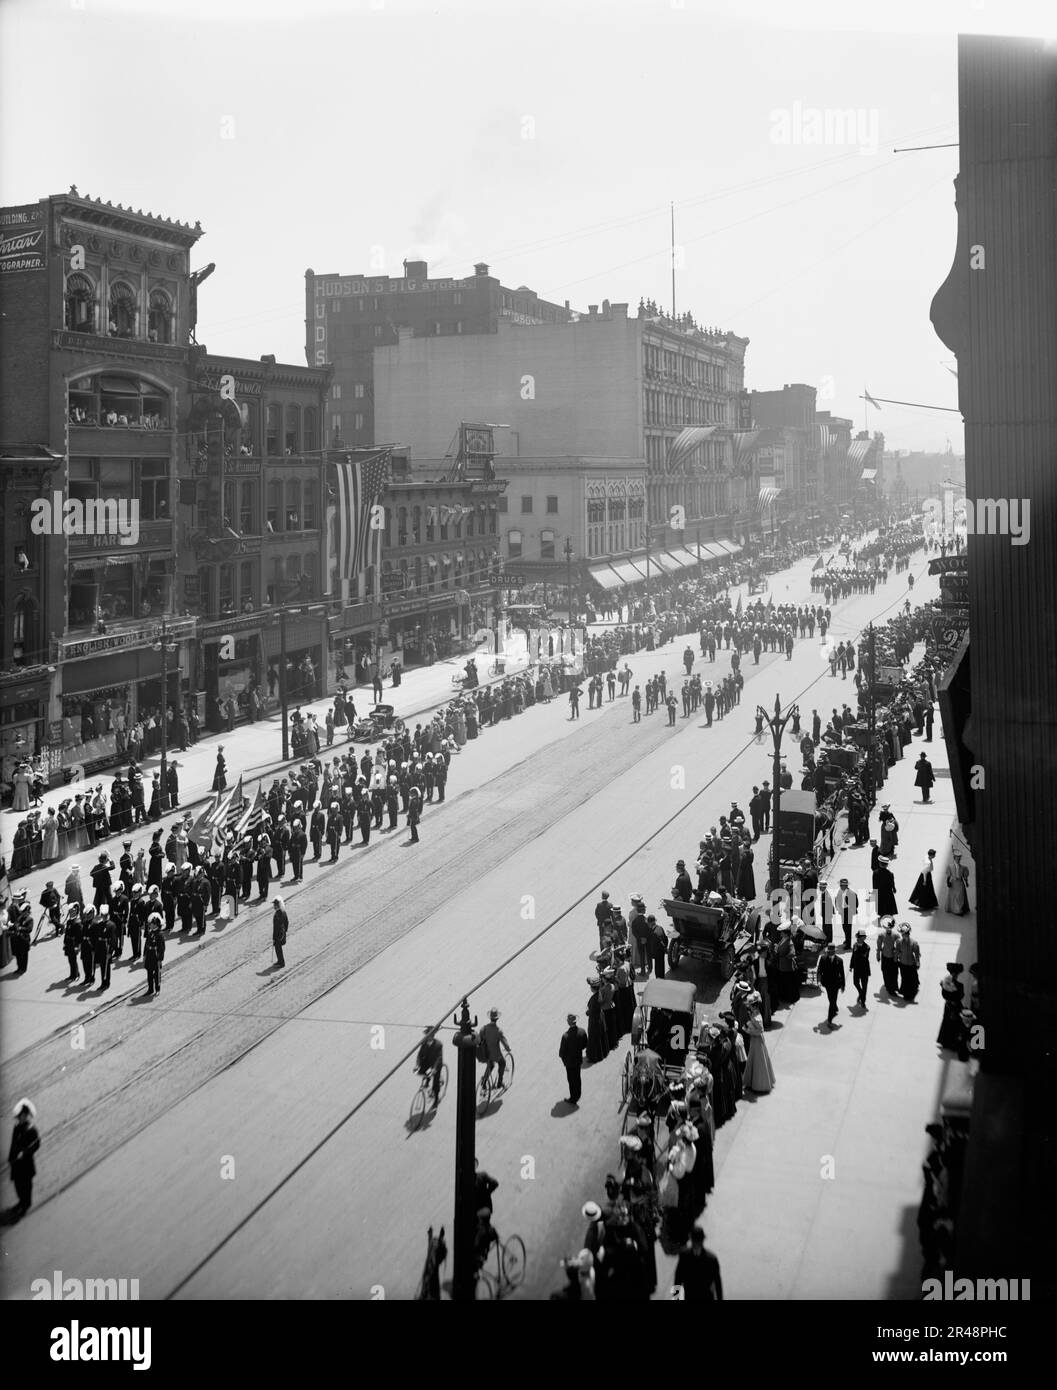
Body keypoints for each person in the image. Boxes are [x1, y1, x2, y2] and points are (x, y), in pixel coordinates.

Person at [8, 1099, 40, 1218]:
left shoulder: (31, 1130)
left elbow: (36, 1145)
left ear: (26, 1115)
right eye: (18, 1116)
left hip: (26, 1165)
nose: (19, 1118)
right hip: (17, 1164)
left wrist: (25, 1153)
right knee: (18, 1186)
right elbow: (13, 1143)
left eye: (21, 1116)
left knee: (26, 1186)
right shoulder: (17, 1128)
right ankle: (21, 1203)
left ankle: (25, 1205)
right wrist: (11, 1158)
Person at [673, 1226, 723, 1301]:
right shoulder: (684, 1257)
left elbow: (717, 1283)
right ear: (692, 1241)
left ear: (702, 1241)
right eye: (695, 1241)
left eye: (698, 1241)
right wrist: (676, 1298)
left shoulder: (711, 1259)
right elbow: (678, 1279)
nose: (696, 1244)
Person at [742, 1000, 775, 1093]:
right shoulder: (755, 1013)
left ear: (754, 1007)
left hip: (757, 1041)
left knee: (758, 1061)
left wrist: (748, 1031)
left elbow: (760, 1030)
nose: (749, 1007)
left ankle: (758, 1085)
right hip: (755, 1040)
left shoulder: (757, 1018)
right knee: (753, 1060)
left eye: (750, 1006)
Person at [559, 1013, 588, 1105]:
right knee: (577, 1078)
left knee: (571, 1080)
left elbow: (561, 1053)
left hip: (569, 1062)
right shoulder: (582, 1032)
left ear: (568, 1022)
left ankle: (573, 1098)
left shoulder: (565, 1036)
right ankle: (578, 1094)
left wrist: (564, 1060)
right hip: (578, 1059)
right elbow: (585, 1044)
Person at [479, 1008, 511, 1090]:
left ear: (490, 1018)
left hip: (486, 1053)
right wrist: (508, 1049)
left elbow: (480, 1039)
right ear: (497, 1019)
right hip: (496, 1055)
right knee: (502, 1063)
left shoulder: (484, 1029)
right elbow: (505, 1043)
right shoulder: (498, 1031)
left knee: (491, 1065)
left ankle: (484, 1082)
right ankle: (499, 1083)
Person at [937, 963, 966, 1049]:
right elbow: (961, 996)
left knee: (947, 1023)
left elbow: (943, 995)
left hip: (948, 1006)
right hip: (956, 1006)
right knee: (955, 1025)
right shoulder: (960, 986)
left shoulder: (944, 983)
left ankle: (945, 1041)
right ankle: (953, 1042)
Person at [818, 942, 846, 1025]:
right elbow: (819, 970)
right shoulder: (823, 959)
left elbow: (842, 973)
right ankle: (834, 1006)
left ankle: (829, 1019)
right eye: (828, 951)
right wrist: (819, 981)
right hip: (826, 983)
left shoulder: (839, 961)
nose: (829, 952)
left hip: (836, 983)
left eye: (831, 951)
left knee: (832, 1000)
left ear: (834, 951)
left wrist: (843, 985)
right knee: (831, 998)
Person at [416, 1026, 444, 1107]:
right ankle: (427, 1081)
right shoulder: (424, 1043)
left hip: (436, 1064)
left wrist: (434, 1069)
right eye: (426, 1035)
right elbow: (419, 1055)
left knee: (435, 1083)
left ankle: (436, 1100)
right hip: (427, 1062)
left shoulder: (438, 1044)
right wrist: (417, 1065)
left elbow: (439, 1058)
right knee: (422, 1071)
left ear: (432, 1036)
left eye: (429, 1035)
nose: (427, 1037)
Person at [895, 923, 920, 1001]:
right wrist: (896, 959)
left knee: (910, 979)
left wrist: (918, 963)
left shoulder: (914, 943)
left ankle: (910, 994)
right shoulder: (899, 942)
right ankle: (904, 992)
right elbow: (897, 951)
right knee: (904, 978)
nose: (903, 935)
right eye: (902, 934)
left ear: (908, 934)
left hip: (911, 964)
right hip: (902, 963)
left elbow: (916, 955)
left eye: (905, 934)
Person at [143, 912, 165, 997]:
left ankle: (157, 989)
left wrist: (160, 959)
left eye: (151, 924)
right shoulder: (150, 933)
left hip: (156, 956)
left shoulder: (160, 934)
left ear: (155, 924)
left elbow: (162, 948)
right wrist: (144, 955)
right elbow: (146, 944)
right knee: (149, 973)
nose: (150, 925)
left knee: (156, 974)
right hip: (149, 955)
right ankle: (150, 989)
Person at [850, 930, 872, 1008]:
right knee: (855, 983)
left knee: (864, 986)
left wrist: (857, 949)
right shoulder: (855, 945)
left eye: (862, 937)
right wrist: (851, 966)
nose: (858, 939)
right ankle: (861, 993)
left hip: (864, 969)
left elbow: (863, 957)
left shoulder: (867, 947)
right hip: (856, 968)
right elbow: (853, 956)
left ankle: (863, 1001)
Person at [272, 896, 288, 968]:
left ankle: (281, 962)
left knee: (278, 949)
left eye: (274, 905)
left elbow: (276, 927)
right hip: (282, 934)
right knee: (278, 948)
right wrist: (285, 931)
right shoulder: (283, 912)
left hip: (278, 935)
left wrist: (275, 937)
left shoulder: (277, 914)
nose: (274, 906)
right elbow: (287, 922)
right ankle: (280, 961)